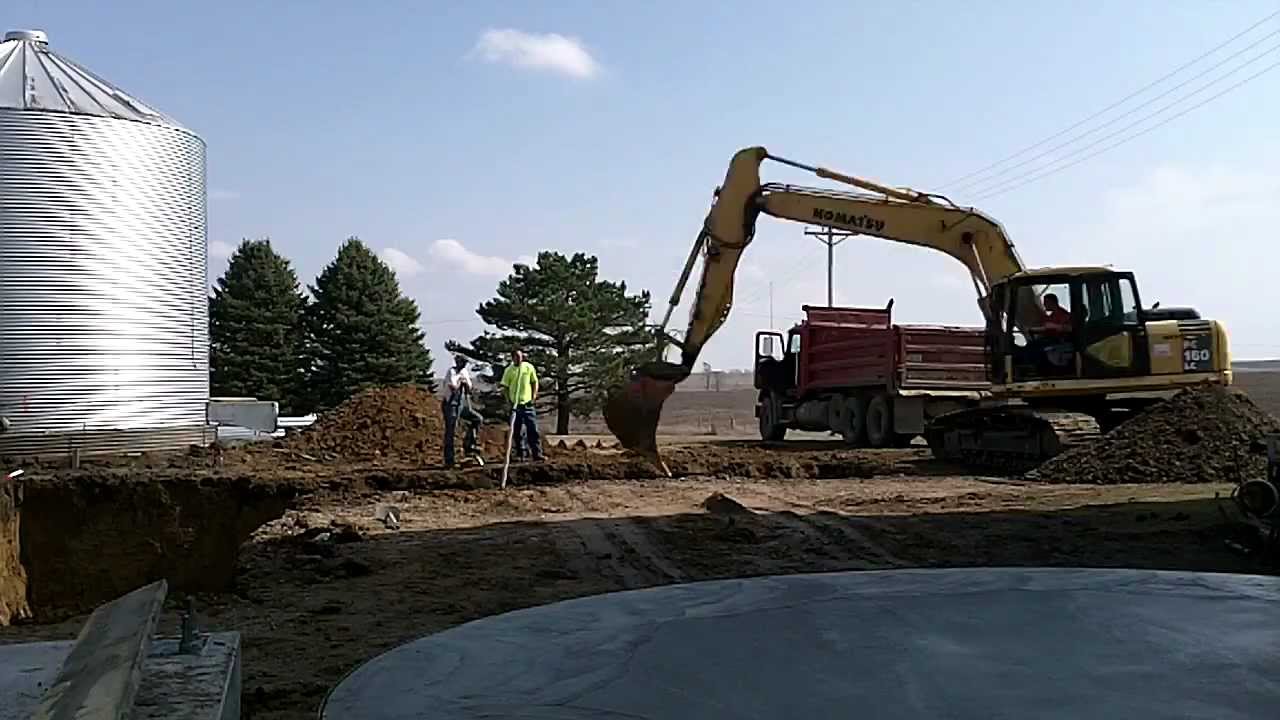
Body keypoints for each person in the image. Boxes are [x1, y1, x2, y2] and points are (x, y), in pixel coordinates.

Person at [500, 349, 543, 462]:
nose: (519, 359)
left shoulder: (528, 367)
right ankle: (521, 454)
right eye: (517, 357)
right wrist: (508, 401)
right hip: (515, 405)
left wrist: (534, 396)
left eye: (521, 356)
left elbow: (534, 382)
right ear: (513, 358)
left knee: (533, 429)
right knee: (517, 431)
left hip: (527, 404)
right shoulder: (509, 370)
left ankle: (537, 454)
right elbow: (505, 387)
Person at [441, 355, 483, 468]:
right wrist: (461, 382)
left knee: (477, 419)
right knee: (451, 430)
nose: (464, 365)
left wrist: (466, 384)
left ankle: (470, 446)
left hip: (462, 403)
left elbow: (469, 388)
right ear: (457, 362)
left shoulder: (464, 372)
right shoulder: (451, 372)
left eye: (465, 363)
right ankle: (450, 460)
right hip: (451, 404)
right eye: (462, 362)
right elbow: (453, 387)